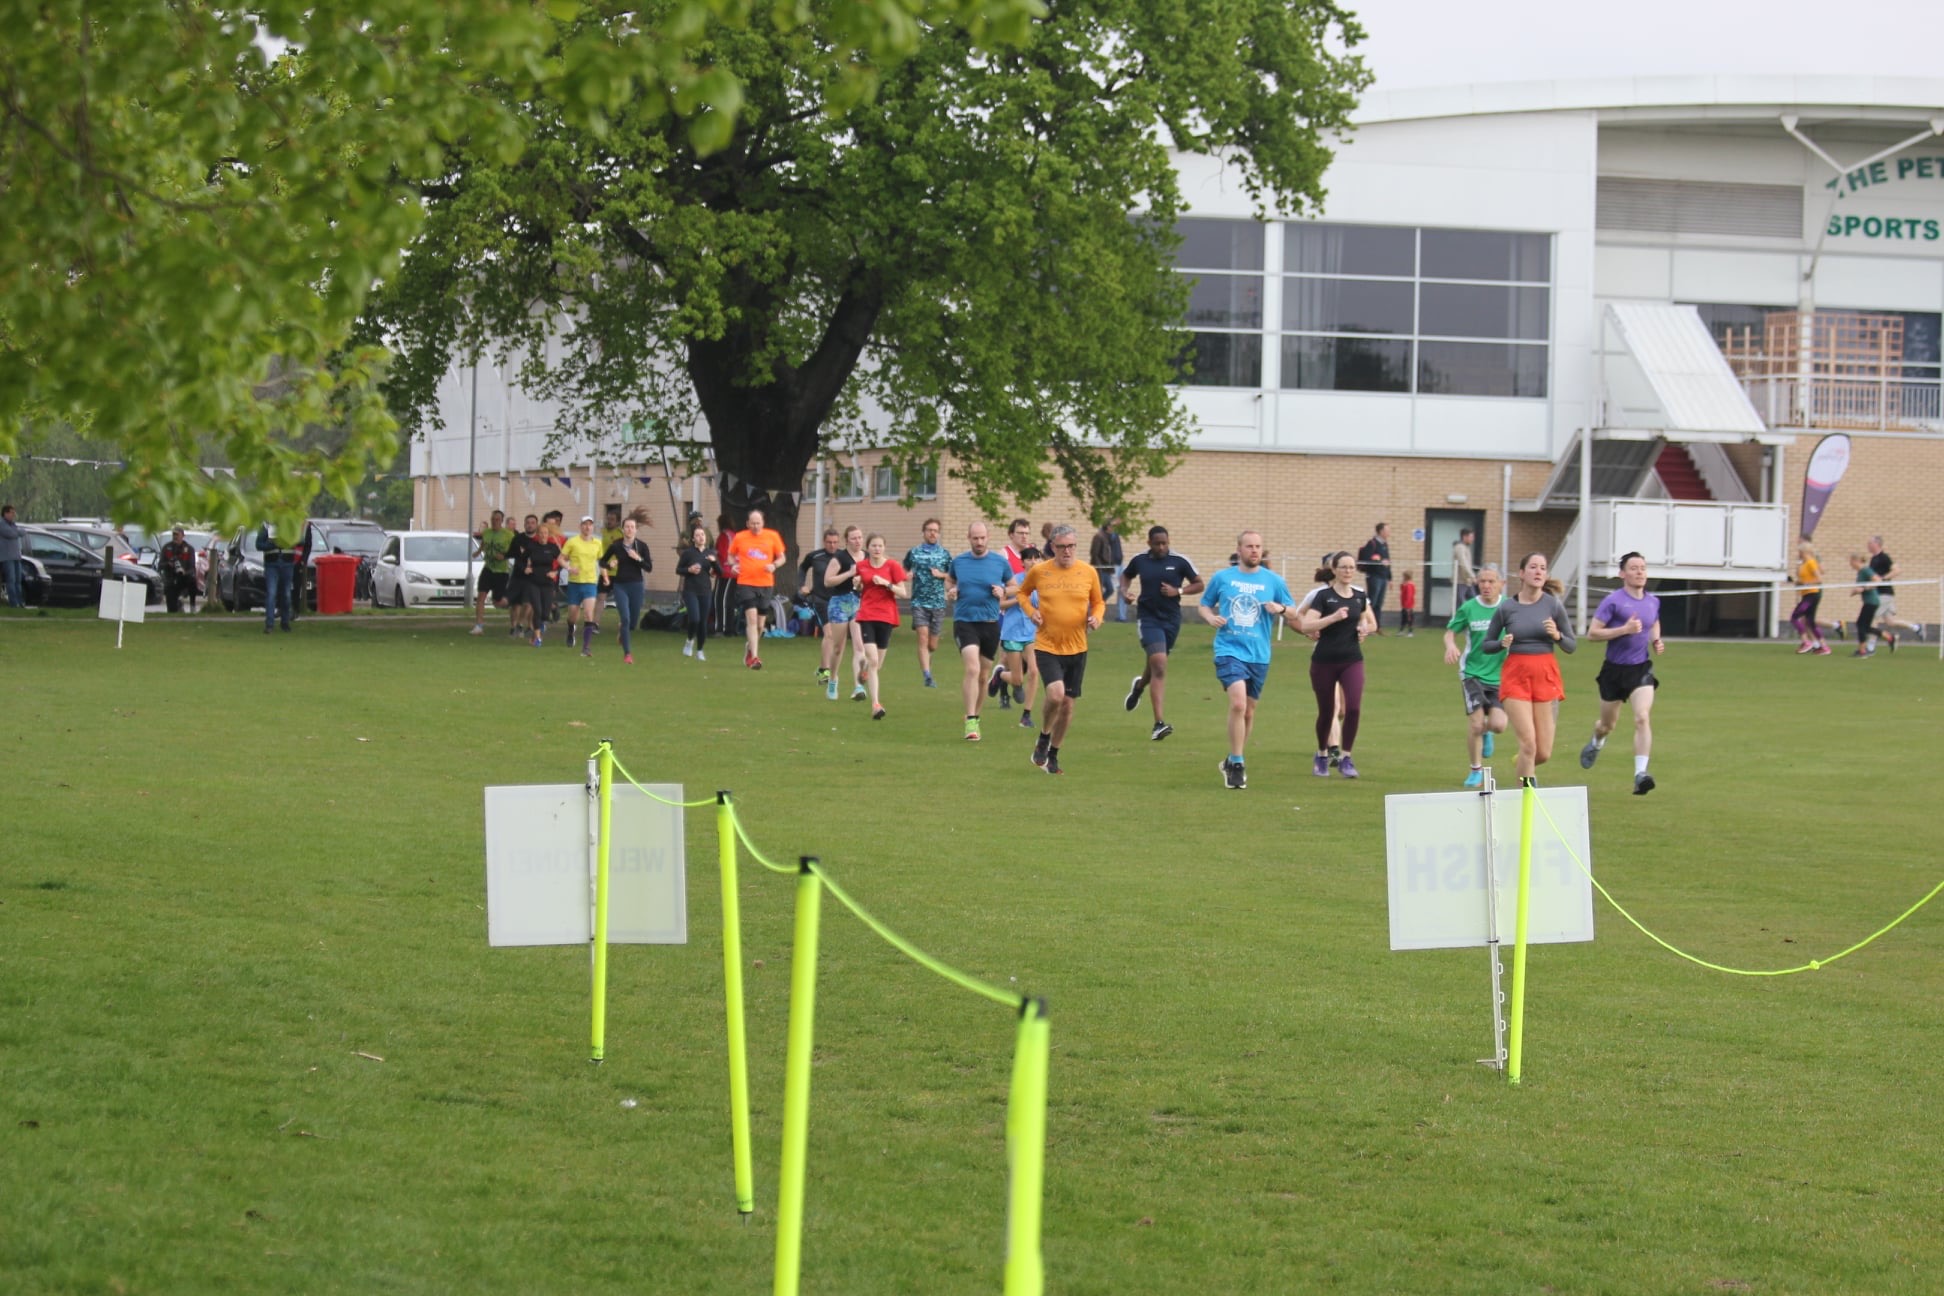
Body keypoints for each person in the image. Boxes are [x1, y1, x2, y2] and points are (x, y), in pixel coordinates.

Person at [1198, 530, 1299, 790]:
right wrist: (1210, 618)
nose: (1254, 550)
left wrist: (1282, 609)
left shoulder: (1274, 581)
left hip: (1259, 654)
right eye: (1249, 546)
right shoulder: (1223, 578)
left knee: (1249, 711)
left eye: (1258, 547)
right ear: (1239, 549)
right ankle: (1239, 763)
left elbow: (1294, 611)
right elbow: (1204, 604)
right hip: (1229, 649)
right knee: (1239, 704)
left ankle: (1231, 759)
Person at [1480, 552, 1576, 785]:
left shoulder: (1553, 606)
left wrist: (1557, 635)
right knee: (1529, 744)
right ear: (1522, 574)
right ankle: (1525, 800)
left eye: (1542, 568)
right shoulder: (1507, 608)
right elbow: (1487, 645)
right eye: (1533, 567)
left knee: (1542, 752)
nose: (1538, 571)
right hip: (1516, 676)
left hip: (1545, 675)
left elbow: (1571, 645)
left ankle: (1522, 762)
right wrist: (1501, 644)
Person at [1016, 525, 1104, 775]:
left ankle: (1053, 753)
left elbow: (1098, 602)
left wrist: (1097, 618)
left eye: (1071, 546)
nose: (1067, 551)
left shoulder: (1088, 572)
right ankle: (1044, 735)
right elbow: (1023, 594)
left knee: (1067, 705)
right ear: (1053, 547)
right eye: (1062, 546)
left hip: (1077, 646)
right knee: (1055, 695)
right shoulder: (1040, 571)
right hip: (1047, 644)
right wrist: (1031, 612)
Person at [1579, 552, 1666, 795]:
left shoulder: (1653, 601)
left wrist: (1656, 639)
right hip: (1613, 671)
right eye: (1634, 568)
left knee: (1642, 717)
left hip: (1640, 669)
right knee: (1607, 725)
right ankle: (1597, 741)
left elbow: (1653, 622)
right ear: (1622, 574)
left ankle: (1641, 774)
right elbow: (1592, 634)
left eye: (1643, 568)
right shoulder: (1613, 601)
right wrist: (1624, 629)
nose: (1639, 572)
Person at [1294, 551, 1377, 780]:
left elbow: (1371, 623)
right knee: (1328, 711)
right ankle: (1321, 755)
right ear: (1334, 569)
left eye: (1351, 567)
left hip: (1352, 659)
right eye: (1344, 567)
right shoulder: (1323, 596)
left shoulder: (1359, 596)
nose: (1348, 571)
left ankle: (1346, 758)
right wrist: (1332, 618)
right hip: (1324, 661)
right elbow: (1306, 626)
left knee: (1353, 708)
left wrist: (1364, 629)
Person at [1120, 525, 1203, 741]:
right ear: (1149, 543)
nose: (1161, 547)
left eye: (1164, 543)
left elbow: (1199, 584)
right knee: (1159, 663)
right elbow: (1126, 576)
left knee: (1156, 664)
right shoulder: (1140, 560)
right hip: (1148, 619)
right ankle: (1158, 724)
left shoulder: (1179, 561)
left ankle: (1138, 687)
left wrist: (1179, 591)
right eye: (1157, 543)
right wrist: (1124, 592)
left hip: (1171, 620)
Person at [1443, 563, 1509, 788]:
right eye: (1482, 581)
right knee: (1475, 725)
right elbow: (1450, 632)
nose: (1486, 586)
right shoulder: (1469, 607)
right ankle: (1475, 770)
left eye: (1491, 581)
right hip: (1472, 673)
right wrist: (1450, 646)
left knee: (1499, 725)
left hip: (1501, 677)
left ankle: (1488, 732)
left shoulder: (1509, 607)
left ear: (1502, 584)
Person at [947, 522, 1012, 741]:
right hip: (965, 622)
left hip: (990, 623)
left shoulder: (1000, 562)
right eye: (975, 538)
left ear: (988, 537)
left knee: (984, 676)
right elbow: (949, 581)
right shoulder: (959, 562)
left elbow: (1014, 586)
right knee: (973, 669)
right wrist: (952, 591)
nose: (979, 542)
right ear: (969, 538)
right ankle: (971, 719)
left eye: (982, 538)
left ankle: (976, 716)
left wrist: (1003, 590)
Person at [852, 534, 908, 720]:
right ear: (868, 548)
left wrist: (887, 584)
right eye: (873, 546)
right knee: (874, 660)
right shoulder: (862, 566)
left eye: (880, 546)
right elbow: (860, 588)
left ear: (884, 547)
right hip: (867, 614)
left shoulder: (892, 566)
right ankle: (876, 704)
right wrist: (857, 584)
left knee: (877, 664)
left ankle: (864, 668)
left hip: (886, 616)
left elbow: (904, 593)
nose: (877, 549)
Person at [725, 507, 786, 669]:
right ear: (747, 524)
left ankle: (749, 648)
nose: (755, 527)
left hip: (766, 584)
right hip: (746, 583)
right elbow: (730, 555)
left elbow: (782, 558)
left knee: (760, 625)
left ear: (763, 523)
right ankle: (755, 658)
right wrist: (733, 565)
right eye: (752, 524)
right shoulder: (740, 537)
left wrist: (774, 565)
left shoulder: (772, 536)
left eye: (758, 523)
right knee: (751, 619)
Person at [993, 545, 1042, 726]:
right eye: (1029, 558)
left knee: (1035, 671)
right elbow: (1001, 605)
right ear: (1022, 563)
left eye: (1036, 558)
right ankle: (1000, 675)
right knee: (1017, 679)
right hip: (1012, 632)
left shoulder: (1043, 583)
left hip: (1031, 633)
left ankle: (1026, 716)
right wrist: (1019, 599)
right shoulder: (1015, 582)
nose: (1033, 561)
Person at [903, 518, 953, 688]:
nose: (932, 533)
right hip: (919, 601)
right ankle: (927, 675)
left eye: (935, 530)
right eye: (929, 530)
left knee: (932, 644)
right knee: (922, 639)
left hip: (938, 603)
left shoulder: (944, 554)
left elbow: (953, 575)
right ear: (923, 532)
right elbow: (904, 569)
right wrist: (908, 575)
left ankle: (927, 664)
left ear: (939, 533)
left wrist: (941, 575)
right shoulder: (914, 552)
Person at [824, 525, 868, 700]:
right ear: (846, 540)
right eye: (853, 538)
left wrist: (861, 583)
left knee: (859, 646)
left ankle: (858, 686)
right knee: (837, 648)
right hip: (839, 604)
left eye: (859, 537)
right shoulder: (839, 558)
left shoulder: (866, 557)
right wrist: (849, 574)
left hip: (858, 603)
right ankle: (833, 680)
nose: (857, 541)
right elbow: (828, 581)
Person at [602, 517, 652, 664]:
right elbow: (602, 561)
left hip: (636, 585)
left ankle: (622, 631)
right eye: (627, 527)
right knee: (625, 617)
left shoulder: (642, 546)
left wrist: (638, 558)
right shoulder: (616, 546)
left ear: (636, 530)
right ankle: (627, 654)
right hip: (620, 585)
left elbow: (649, 567)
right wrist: (610, 564)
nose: (629, 529)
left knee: (632, 623)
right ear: (623, 529)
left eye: (632, 527)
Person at [799, 527, 844, 682]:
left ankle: (821, 668)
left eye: (835, 542)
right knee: (829, 634)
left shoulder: (843, 557)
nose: (832, 545)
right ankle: (825, 672)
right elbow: (802, 568)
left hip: (838, 600)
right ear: (824, 542)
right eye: (829, 542)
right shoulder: (814, 556)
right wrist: (802, 585)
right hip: (820, 599)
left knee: (836, 639)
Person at [1865, 534, 1922, 648]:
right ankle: (1915, 627)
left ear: (1876, 544)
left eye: (1870, 543)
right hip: (1878, 593)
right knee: (1890, 622)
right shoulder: (1873, 559)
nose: (1868, 545)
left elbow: (1897, 570)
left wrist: (1883, 579)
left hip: (1884, 594)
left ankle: (1870, 646)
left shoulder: (1884, 557)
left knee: (1871, 617)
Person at [522, 515, 564, 647]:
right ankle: (538, 638)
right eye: (540, 533)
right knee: (538, 610)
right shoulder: (532, 546)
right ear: (538, 534)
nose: (543, 535)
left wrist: (555, 572)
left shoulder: (552, 547)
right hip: (533, 582)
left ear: (548, 534)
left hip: (547, 583)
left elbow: (562, 562)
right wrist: (526, 568)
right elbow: (521, 560)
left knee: (545, 613)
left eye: (545, 533)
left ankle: (537, 632)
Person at [676, 522, 716, 660]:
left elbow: (719, 571)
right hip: (690, 590)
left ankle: (700, 650)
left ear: (706, 537)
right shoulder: (688, 554)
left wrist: (714, 568)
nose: (700, 537)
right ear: (693, 539)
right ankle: (689, 640)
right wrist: (689, 570)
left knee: (703, 622)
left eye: (702, 535)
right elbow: (678, 570)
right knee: (695, 618)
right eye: (697, 535)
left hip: (705, 590)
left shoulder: (711, 553)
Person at [472, 509, 514, 635]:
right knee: (481, 597)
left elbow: (516, 550)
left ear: (501, 521)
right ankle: (479, 626)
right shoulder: (487, 532)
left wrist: (505, 556)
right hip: (488, 568)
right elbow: (484, 544)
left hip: (501, 571)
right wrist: (478, 552)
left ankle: (513, 601)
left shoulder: (508, 535)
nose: (494, 522)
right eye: (493, 519)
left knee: (497, 601)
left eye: (497, 520)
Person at [1789, 541, 1830, 655]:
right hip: (1806, 594)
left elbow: (1819, 579)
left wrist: (1806, 583)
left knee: (1795, 617)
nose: (1799, 554)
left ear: (1804, 552)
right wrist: (1798, 582)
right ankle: (1824, 646)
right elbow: (1803, 579)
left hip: (1812, 595)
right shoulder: (1803, 564)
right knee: (1810, 622)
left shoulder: (1811, 562)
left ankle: (1806, 642)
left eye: (1800, 552)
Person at [503, 514, 540, 640]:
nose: (530, 525)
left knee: (529, 602)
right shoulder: (518, 539)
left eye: (533, 522)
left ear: (536, 525)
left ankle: (521, 623)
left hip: (532, 577)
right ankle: (513, 626)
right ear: (524, 525)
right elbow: (511, 555)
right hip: (518, 575)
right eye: (528, 522)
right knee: (515, 604)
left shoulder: (539, 540)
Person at [257, 519, 298, 633]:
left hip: (287, 564)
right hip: (272, 564)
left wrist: (288, 540)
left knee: (286, 594)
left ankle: (285, 622)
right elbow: (259, 544)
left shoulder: (290, 522)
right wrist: (272, 545)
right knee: (271, 593)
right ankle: (269, 625)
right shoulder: (266, 525)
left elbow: (300, 540)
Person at [1090, 516, 1126, 622]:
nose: (1113, 529)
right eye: (1111, 526)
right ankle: (1095, 611)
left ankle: (1099, 607)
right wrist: (1098, 567)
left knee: (1109, 589)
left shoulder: (1109, 536)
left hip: (1107, 569)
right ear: (1107, 527)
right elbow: (1094, 554)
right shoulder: (1100, 536)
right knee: (1100, 590)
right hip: (1101, 568)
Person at [1357, 523, 1392, 632]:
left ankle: (1377, 626)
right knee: (1371, 602)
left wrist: (1389, 578)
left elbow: (1388, 562)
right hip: (1374, 576)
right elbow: (1367, 560)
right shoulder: (1372, 544)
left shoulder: (1385, 545)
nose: (1389, 532)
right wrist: (1379, 562)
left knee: (1379, 603)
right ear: (1381, 531)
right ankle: (1366, 624)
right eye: (1387, 530)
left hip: (1383, 577)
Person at [158, 527, 199, 613]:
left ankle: (192, 605)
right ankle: (178, 604)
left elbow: (192, 568)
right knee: (172, 610)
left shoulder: (189, 549)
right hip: (171, 578)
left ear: (183, 536)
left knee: (193, 581)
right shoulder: (166, 548)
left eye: (177, 535)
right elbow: (160, 565)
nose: (175, 537)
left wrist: (184, 572)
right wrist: (168, 564)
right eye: (174, 535)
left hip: (184, 578)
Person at [1848, 552, 1881, 657]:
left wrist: (1863, 588)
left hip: (1872, 601)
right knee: (1864, 626)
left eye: (1851, 562)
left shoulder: (1866, 570)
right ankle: (1888, 637)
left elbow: (1877, 580)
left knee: (1861, 625)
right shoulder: (1860, 572)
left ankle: (1862, 651)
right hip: (1868, 601)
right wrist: (1856, 591)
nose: (1850, 564)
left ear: (1856, 561)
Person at [0, 504, 21, 608]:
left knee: (18, 581)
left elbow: (22, 532)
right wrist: (17, 532)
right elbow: (12, 534)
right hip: (7, 557)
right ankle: (13, 603)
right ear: (5, 513)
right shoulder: (1, 524)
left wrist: (17, 532)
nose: (14, 515)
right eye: (12, 512)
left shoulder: (13, 524)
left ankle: (20, 602)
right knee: (11, 580)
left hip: (16, 556)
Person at [1451, 528, 1477, 605]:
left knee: (1474, 601)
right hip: (1460, 581)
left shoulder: (1465, 547)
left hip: (1467, 581)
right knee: (1459, 604)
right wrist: (1472, 576)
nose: (1473, 539)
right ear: (1464, 537)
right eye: (1471, 537)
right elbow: (1463, 563)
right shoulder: (1460, 547)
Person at [1397, 570, 1417, 637]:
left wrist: (1407, 606)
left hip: (1408, 606)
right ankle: (1401, 630)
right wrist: (1402, 584)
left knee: (1409, 619)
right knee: (1404, 618)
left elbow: (1409, 596)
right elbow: (1402, 590)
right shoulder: (1406, 585)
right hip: (1404, 605)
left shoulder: (1409, 585)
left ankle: (1410, 632)